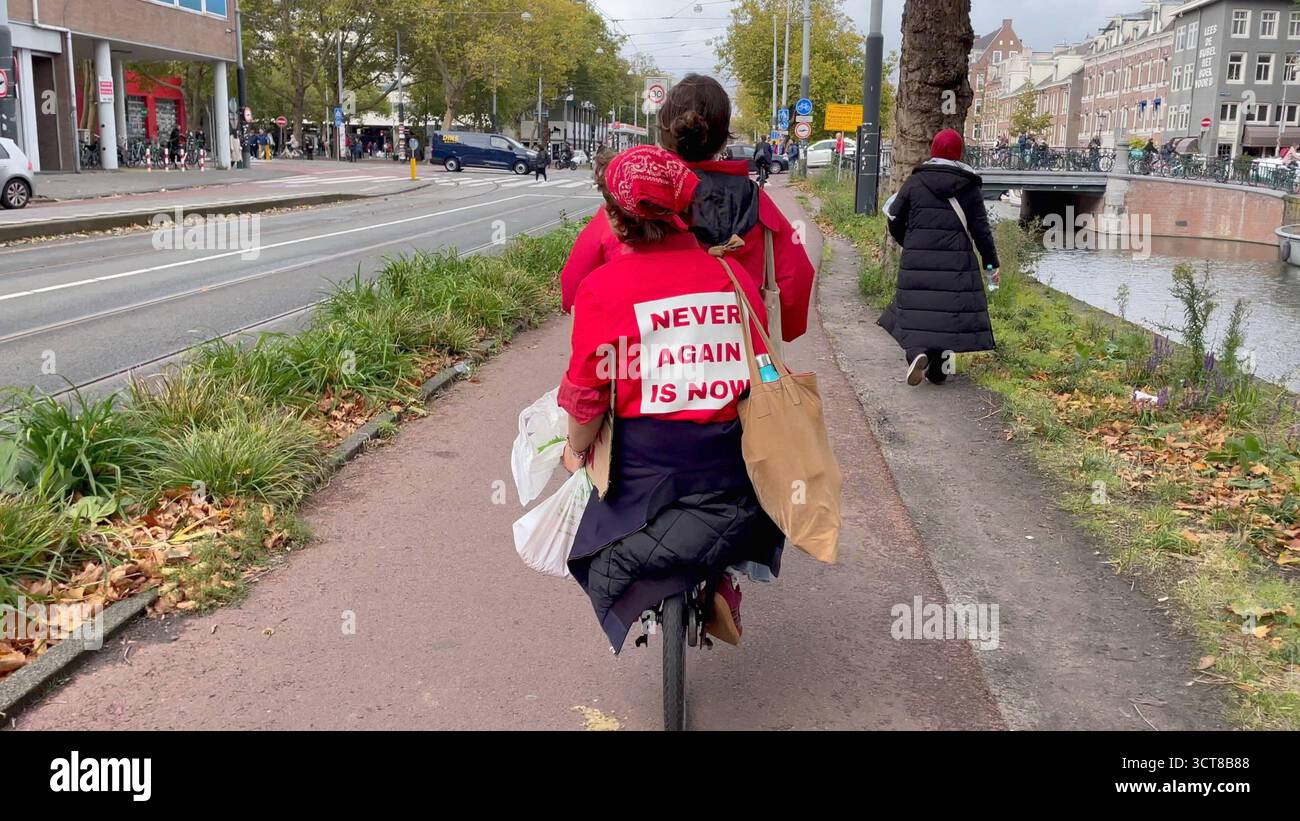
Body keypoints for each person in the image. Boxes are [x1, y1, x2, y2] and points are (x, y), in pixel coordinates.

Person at [558, 144, 784, 651]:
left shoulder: (604, 288)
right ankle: (724, 578)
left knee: (578, 467)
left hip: (644, 472)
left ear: (615, 220)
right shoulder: (734, 278)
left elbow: (588, 399)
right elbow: (759, 369)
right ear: (685, 210)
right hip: (735, 465)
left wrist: (575, 451)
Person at [559, 73, 815, 344]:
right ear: (723, 138)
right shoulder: (756, 203)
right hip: (740, 362)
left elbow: (573, 291)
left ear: (664, 128)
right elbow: (795, 283)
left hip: (643, 367)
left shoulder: (632, 201)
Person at [879, 128, 999, 386]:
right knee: (945, 317)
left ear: (933, 149)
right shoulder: (969, 186)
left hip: (917, 262)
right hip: (956, 264)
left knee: (916, 313)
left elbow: (895, 218)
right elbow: (981, 232)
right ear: (959, 152)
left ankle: (917, 353)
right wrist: (991, 265)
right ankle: (938, 372)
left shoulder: (915, 181)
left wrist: (908, 243)